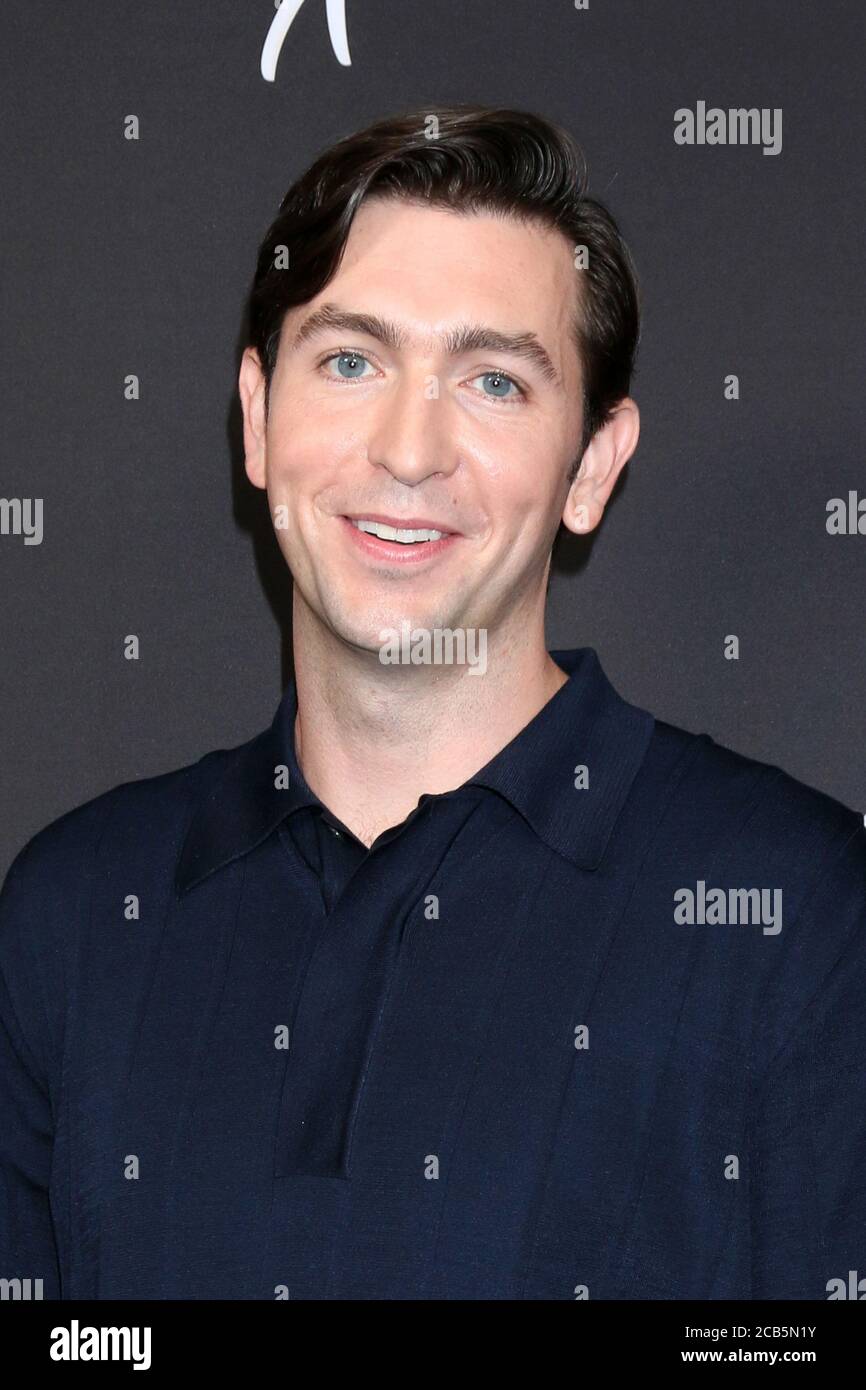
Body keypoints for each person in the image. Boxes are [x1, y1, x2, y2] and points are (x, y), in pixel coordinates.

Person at [1, 104, 864, 1301]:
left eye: (494, 381)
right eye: (350, 360)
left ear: (591, 467)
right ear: (256, 418)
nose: (409, 448)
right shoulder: (73, 914)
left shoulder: (793, 910)